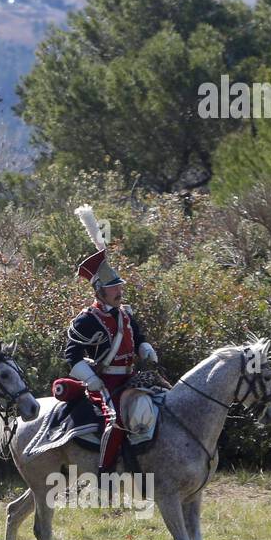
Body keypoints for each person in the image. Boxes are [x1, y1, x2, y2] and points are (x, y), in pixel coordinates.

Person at [65, 204, 158, 476]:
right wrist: (90, 378)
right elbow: (71, 355)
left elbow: (137, 336)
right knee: (116, 421)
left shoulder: (124, 313)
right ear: (99, 292)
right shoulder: (86, 319)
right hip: (103, 382)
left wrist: (145, 347)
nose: (119, 291)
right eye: (113, 288)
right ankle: (104, 472)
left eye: (118, 287)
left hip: (130, 377)